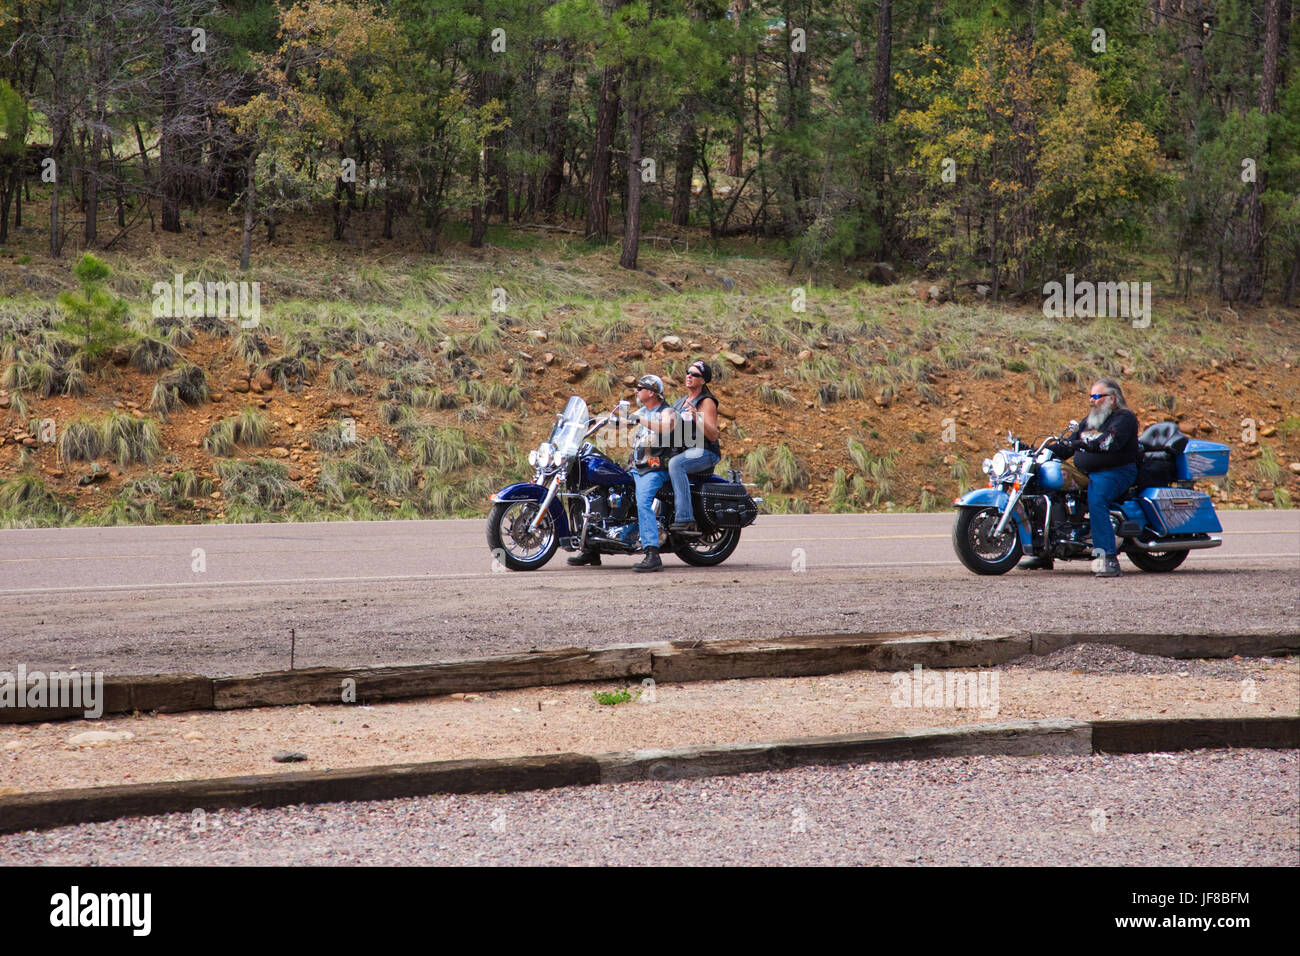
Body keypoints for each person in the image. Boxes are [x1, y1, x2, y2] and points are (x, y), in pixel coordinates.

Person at [1022, 378, 1139, 577]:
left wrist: (1079, 445)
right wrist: (1035, 451)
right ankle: (1044, 553)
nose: (1091, 401)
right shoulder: (1090, 421)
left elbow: (1107, 442)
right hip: (1090, 472)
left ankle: (1107, 557)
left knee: (1097, 497)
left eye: (1096, 396)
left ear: (1111, 398)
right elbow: (1066, 445)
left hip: (1116, 471)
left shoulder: (1124, 418)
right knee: (1047, 489)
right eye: (1090, 396)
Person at [626, 374, 679, 572]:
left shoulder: (668, 412)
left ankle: (652, 552)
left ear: (651, 392)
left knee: (642, 501)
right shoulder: (642, 410)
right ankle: (592, 546)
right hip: (637, 467)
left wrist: (639, 418)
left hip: (656, 468)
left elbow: (666, 428)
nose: (636, 391)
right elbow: (625, 421)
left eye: (640, 388)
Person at [666, 360, 722, 535]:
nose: (689, 376)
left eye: (695, 374)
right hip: (683, 450)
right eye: (687, 373)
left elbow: (713, 435)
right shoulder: (680, 402)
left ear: (703, 380)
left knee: (676, 464)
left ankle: (685, 518)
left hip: (705, 451)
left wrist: (697, 417)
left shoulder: (706, 402)